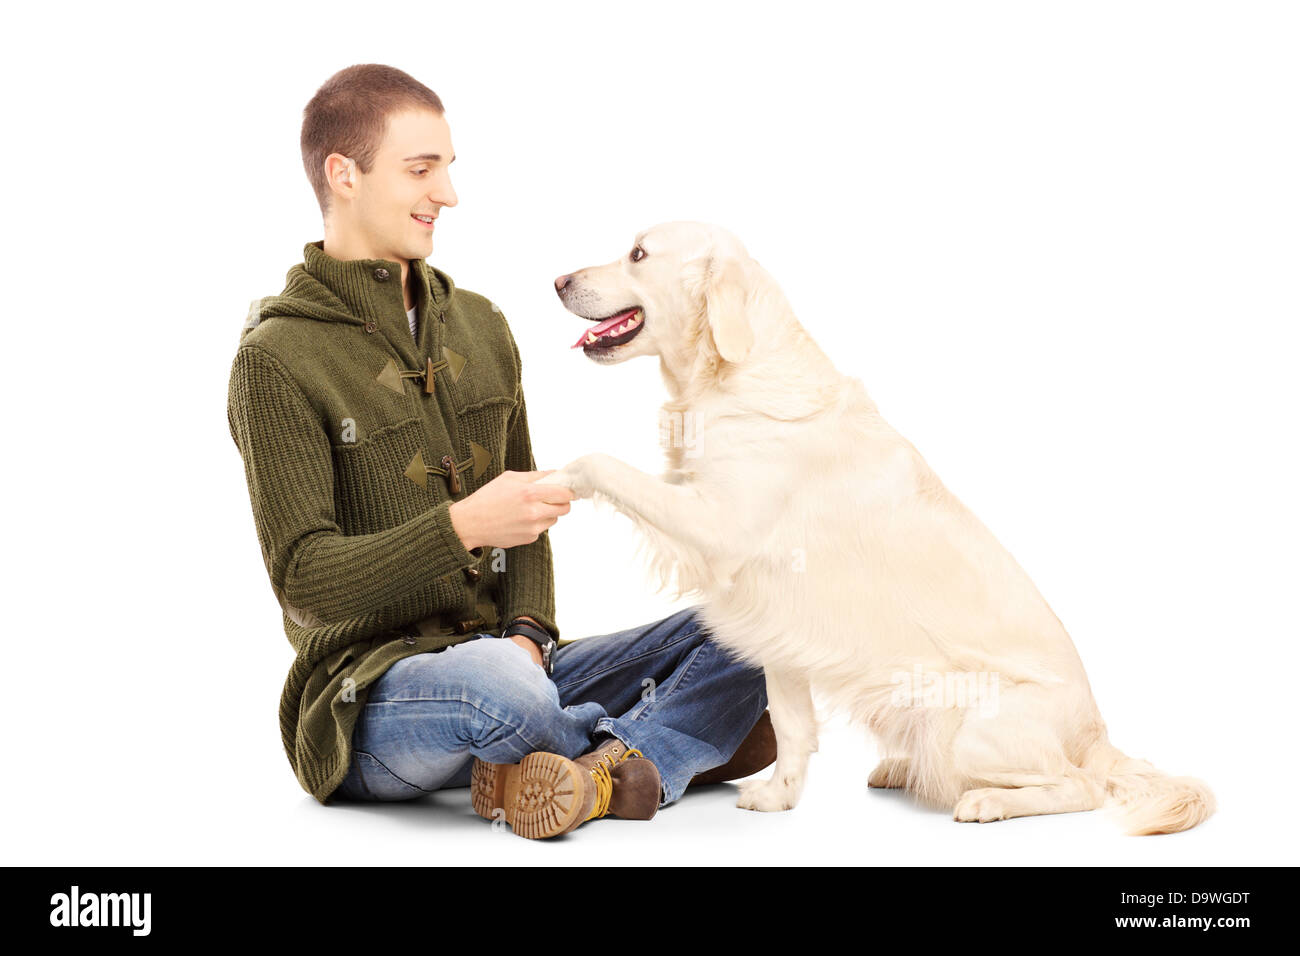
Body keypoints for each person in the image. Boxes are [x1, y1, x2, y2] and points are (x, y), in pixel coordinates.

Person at [226, 63, 774, 839]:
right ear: (342, 175)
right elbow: (304, 582)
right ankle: (664, 742)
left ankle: (596, 769)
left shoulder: (481, 326)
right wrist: (461, 526)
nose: (447, 193)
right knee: (499, 691)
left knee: (764, 622)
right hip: (371, 699)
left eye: (448, 168)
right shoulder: (276, 358)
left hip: (515, 663)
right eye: (422, 169)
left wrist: (528, 635)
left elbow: (529, 519)